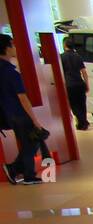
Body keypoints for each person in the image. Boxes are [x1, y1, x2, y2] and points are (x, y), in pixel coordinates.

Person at [0, 34, 46, 185]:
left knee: (29, 143)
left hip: (8, 113)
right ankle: (24, 173)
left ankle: (17, 170)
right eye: (12, 45)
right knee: (31, 143)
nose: (14, 48)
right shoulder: (11, 73)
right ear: (6, 49)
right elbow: (22, 97)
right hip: (20, 113)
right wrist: (34, 119)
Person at [60, 35, 89, 131]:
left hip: (69, 85)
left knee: (74, 105)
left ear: (64, 45)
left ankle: (82, 122)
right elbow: (84, 72)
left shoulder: (61, 57)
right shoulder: (78, 56)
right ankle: (83, 122)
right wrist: (86, 84)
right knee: (82, 104)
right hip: (80, 84)